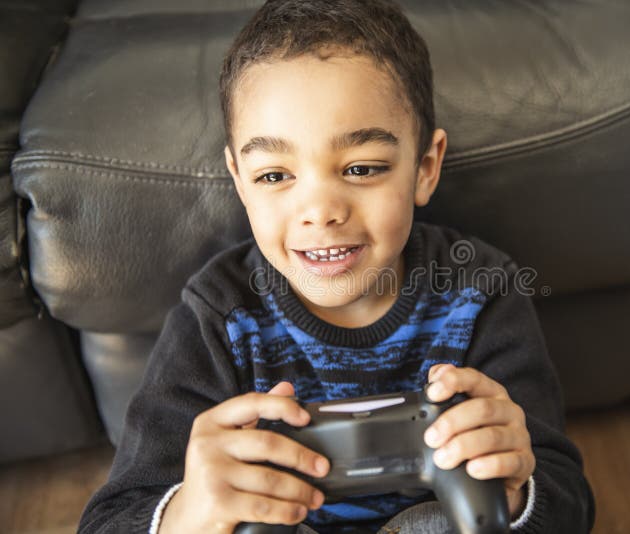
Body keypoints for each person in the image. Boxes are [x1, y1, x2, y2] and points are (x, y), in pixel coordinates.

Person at [78, 0, 595, 532]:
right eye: (274, 175)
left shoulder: (479, 291)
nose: (320, 211)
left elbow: (568, 500)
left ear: (424, 168)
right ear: (239, 180)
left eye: (361, 168)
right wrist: (188, 513)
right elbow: (107, 521)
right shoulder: (219, 317)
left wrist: (515, 493)